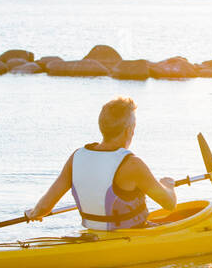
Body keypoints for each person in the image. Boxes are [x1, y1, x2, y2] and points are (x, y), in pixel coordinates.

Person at [25, 97, 176, 230]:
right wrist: (168, 185)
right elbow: (169, 204)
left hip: (94, 235)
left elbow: (44, 207)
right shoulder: (132, 164)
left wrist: (34, 213)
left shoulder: (76, 157)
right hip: (132, 235)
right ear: (129, 130)